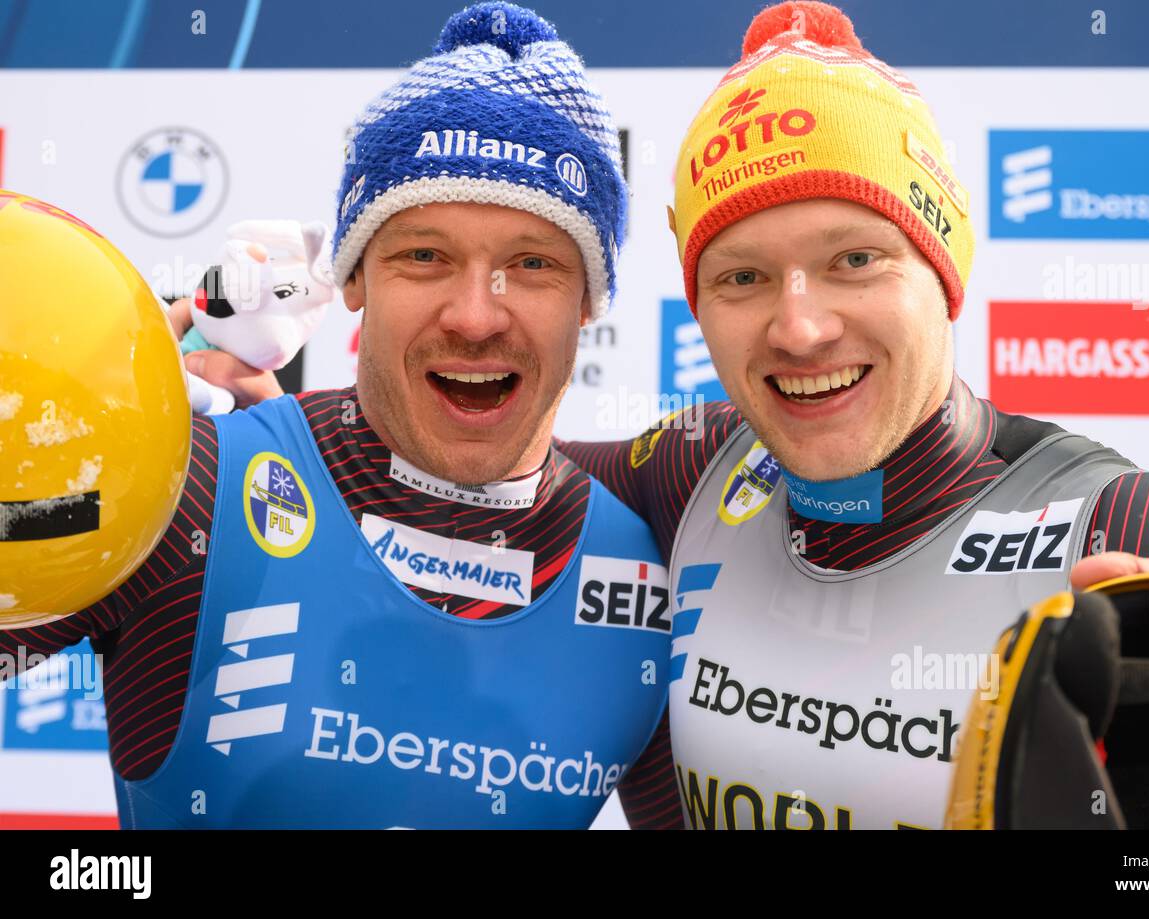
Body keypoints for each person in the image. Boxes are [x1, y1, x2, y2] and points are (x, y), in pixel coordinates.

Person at [560, 0, 1149, 830]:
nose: (800, 328)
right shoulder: (692, 468)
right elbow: (466, 467)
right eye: (742, 277)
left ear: (942, 272)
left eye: (855, 259)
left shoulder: (1115, 526)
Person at [0, 2, 671, 829]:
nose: (474, 314)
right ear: (353, 279)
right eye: (424, 255)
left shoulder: (653, 563)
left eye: (531, 264)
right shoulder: (193, 491)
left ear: (590, 299)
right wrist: (74, 442)